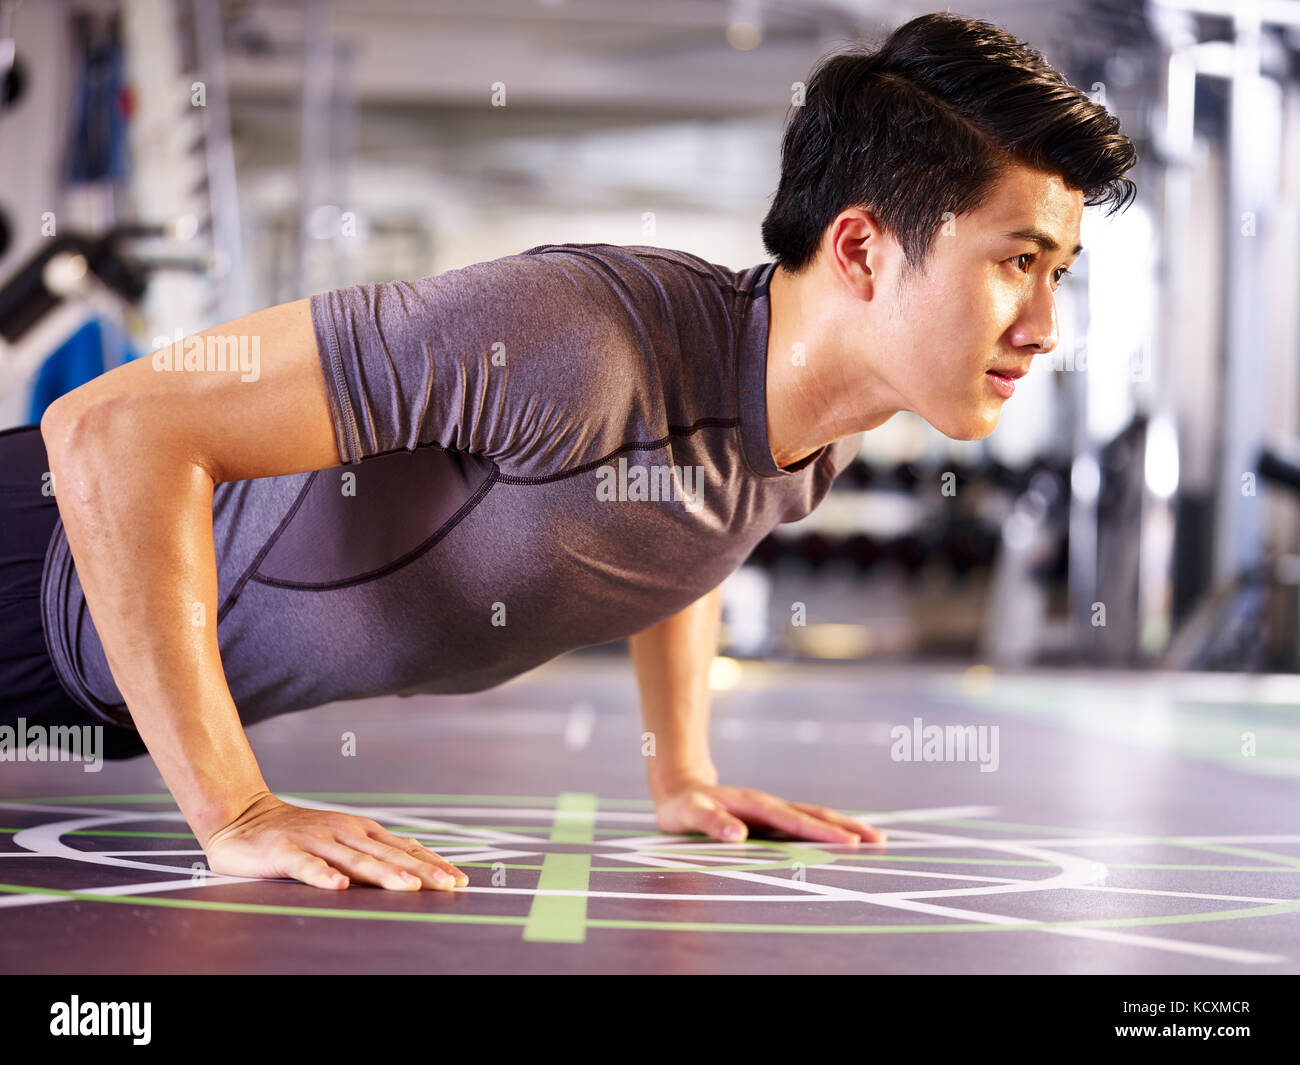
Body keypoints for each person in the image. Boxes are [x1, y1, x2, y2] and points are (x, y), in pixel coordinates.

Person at [10, 11, 1136, 893]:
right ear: (859, 249)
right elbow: (116, 428)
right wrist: (236, 812)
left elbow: (679, 516)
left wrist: (679, 770)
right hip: (34, 565)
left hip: (91, 699)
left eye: (1060, 274)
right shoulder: (574, 338)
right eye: (1015, 260)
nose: (1043, 323)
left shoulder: (818, 426)